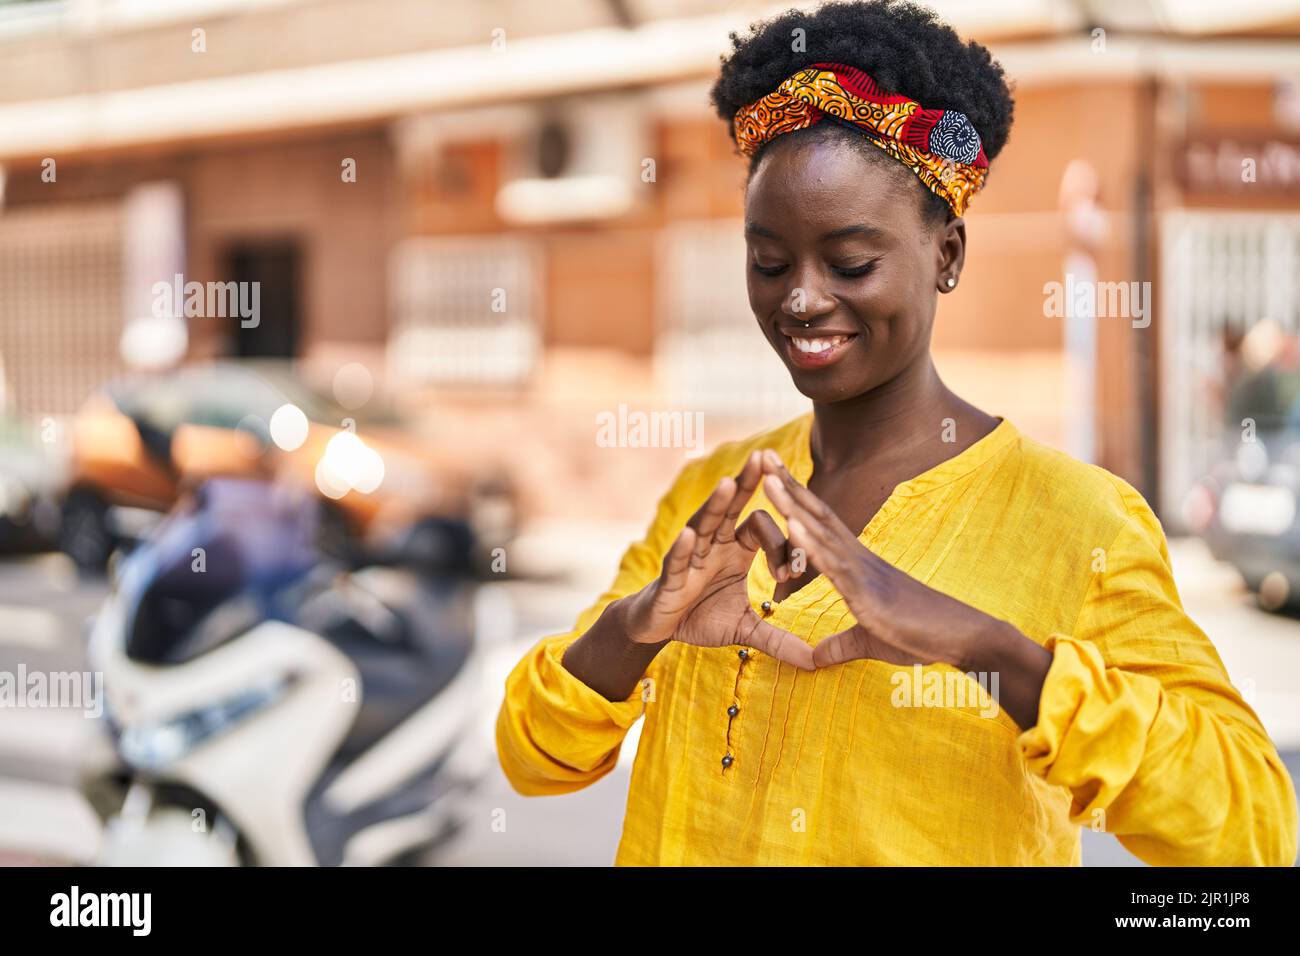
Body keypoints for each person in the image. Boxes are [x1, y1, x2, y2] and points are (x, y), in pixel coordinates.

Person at [497, 0, 1298, 865]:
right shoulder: (718, 491)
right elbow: (532, 757)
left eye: (850, 264)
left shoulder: (1077, 522)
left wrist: (989, 650)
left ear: (946, 254)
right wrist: (633, 630)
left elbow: (1252, 827)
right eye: (769, 262)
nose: (800, 298)